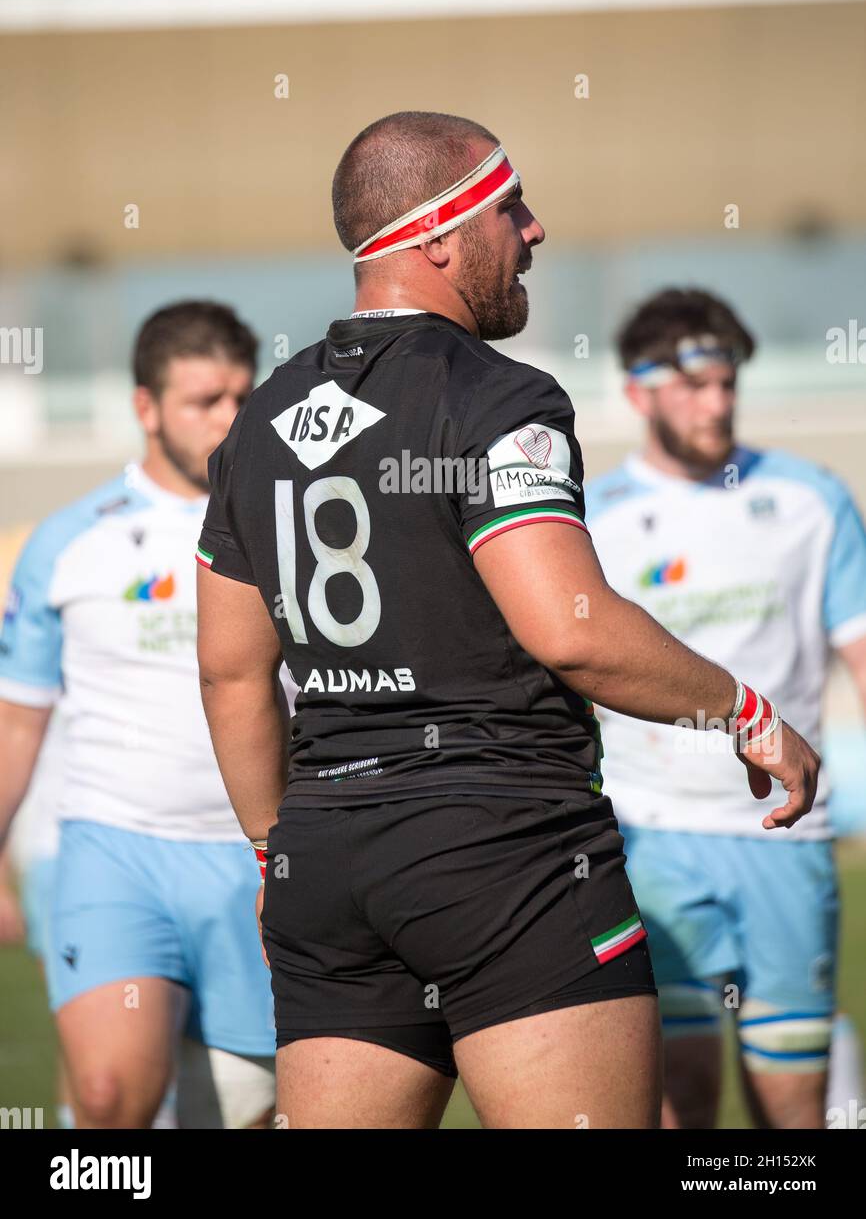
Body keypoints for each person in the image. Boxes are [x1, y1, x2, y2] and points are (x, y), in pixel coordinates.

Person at [195, 112, 819, 1130]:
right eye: (509, 206)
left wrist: (275, 854)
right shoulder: (495, 395)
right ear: (439, 236)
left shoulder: (258, 422)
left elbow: (228, 673)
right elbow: (568, 628)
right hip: (502, 848)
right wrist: (742, 709)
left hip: (326, 864)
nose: (532, 230)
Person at [583, 287, 866, 1129]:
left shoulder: (812, 499)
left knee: (792, 1112)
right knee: (680, 1099)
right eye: (693, 383)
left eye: (727, 381)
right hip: (648, 838)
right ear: (636, 392)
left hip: (785, 841)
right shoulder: (591, 518)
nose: (717, 402)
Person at [0, 300, 276, 1128]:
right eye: (203, 402)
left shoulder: (291, 527)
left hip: (258, 862)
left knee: (242, 1107)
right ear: (145, 408)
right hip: (113, 854)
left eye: (240, 397)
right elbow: (17, 720)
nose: (228, 421)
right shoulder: (66, 541)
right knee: (110, 1098)